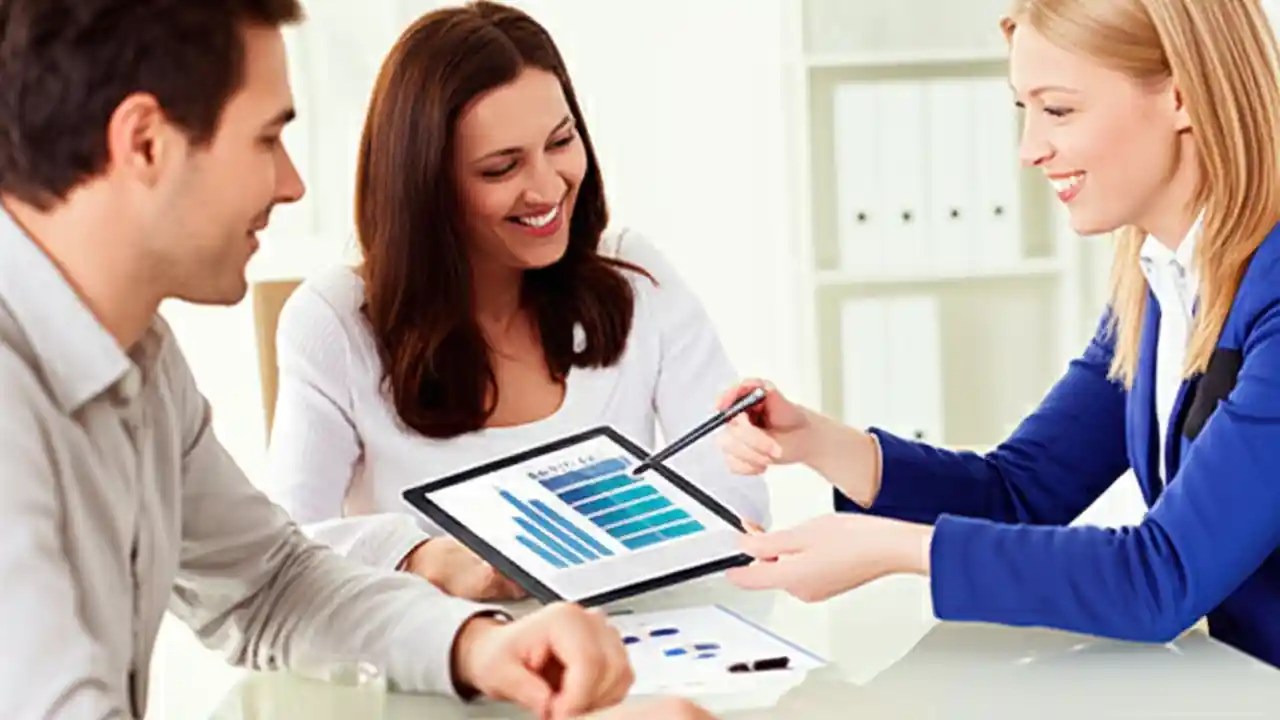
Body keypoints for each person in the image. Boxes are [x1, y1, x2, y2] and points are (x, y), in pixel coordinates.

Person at [0, 1, 641, 717]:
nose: (291, 183)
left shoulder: (139, 357)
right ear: (146, 143)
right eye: (266, 139)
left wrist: (474, 646)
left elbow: (270, 584)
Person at [716, 0, 1280, 669]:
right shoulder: (1159, 279)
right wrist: (817, 441)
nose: (1030, 150)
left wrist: (892, 550)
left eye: (1059, 110)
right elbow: (1021, 491)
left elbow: (1160, 576)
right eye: (1025, 110)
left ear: (1183, 95)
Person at [265, 0, 769, 601]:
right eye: (502, 168)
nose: (549, 188)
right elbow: (288, 552)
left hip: (634, 660)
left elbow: (737, 510)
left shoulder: (635, 278)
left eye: (561, 141)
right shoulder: (335, 321)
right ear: (426, 187)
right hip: (442, 675)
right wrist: (423, 557)